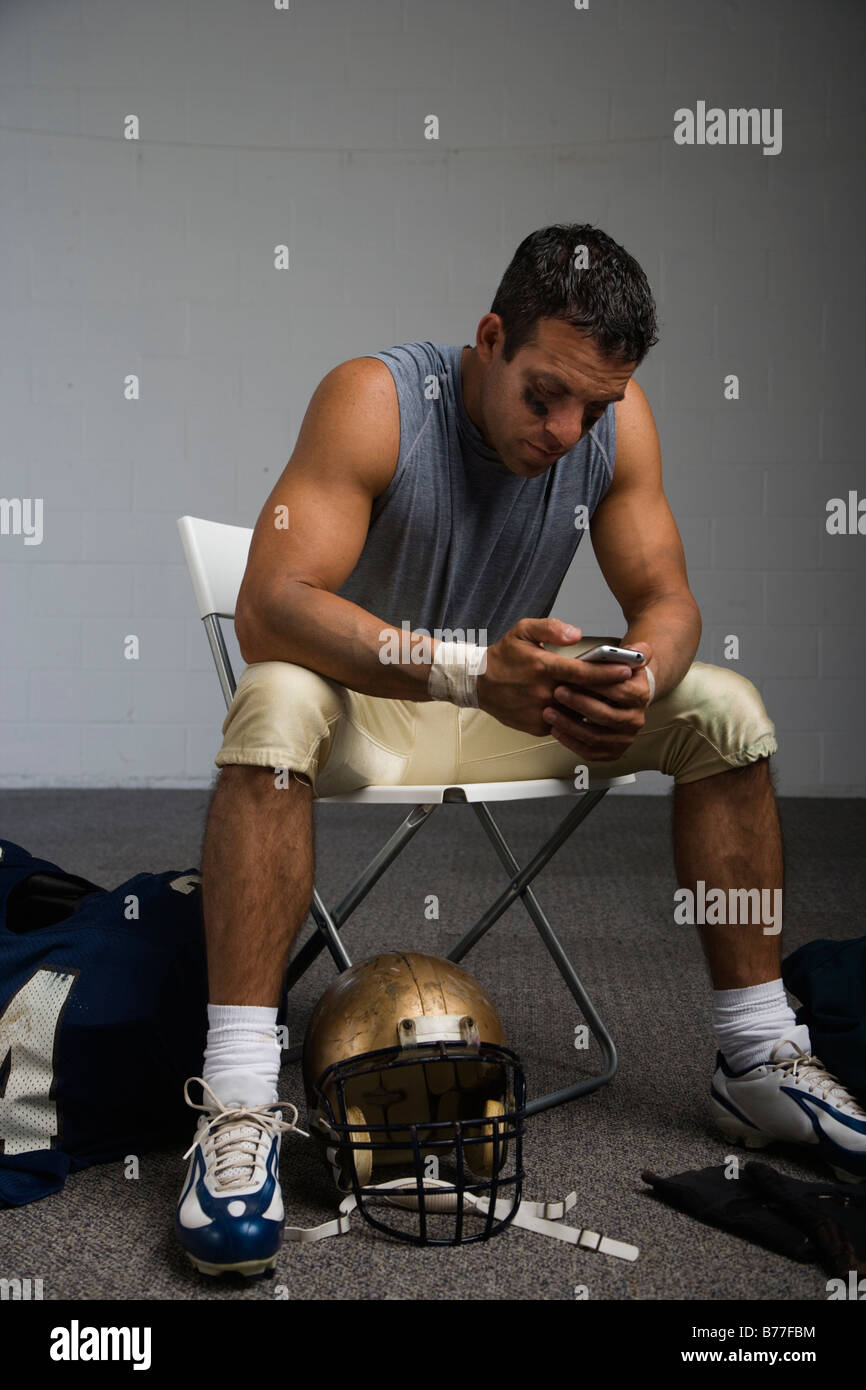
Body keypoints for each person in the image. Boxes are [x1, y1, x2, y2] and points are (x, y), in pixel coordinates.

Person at [174, 223, 866, 1277]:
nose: (565, 427)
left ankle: (756, 1050)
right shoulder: (374, 400)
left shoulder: (611, 423)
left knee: (722, 701)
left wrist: (632, 670)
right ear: (489, 337)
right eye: (544, 392)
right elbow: (269, 608)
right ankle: (235, 1101)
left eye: (592, 405)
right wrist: (461, 668)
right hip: (367, 700)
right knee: (270, 699)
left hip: (511, 704)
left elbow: (667, 599)